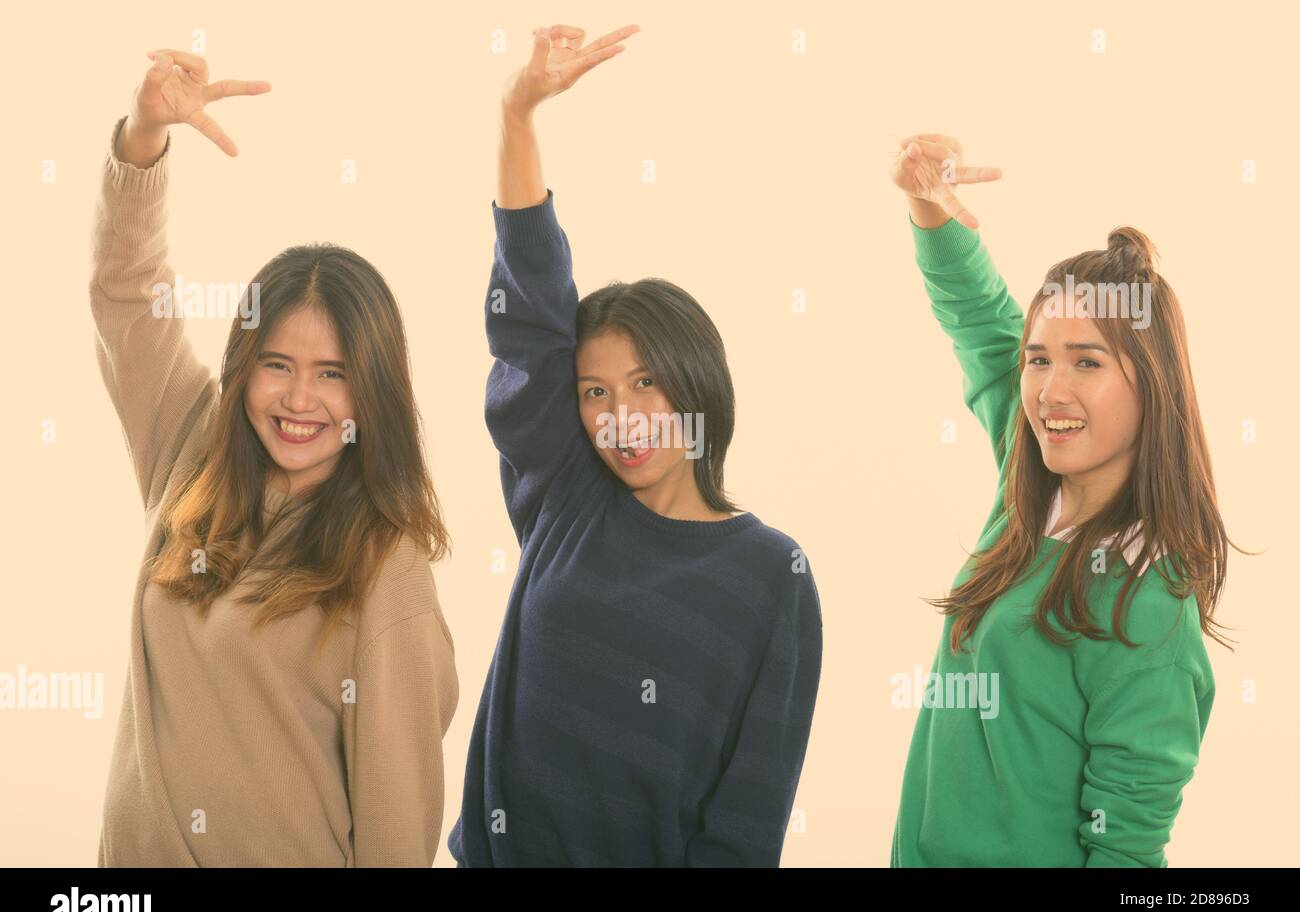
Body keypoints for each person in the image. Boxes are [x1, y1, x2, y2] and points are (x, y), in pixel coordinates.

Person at [447, 24, 823, 866]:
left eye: (647, 382)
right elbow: (533, 316)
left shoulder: (773, 575)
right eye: (595, 391)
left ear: (698, 383)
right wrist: (518, 118)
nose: (622, 414)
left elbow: (746, 821)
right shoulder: (565, 498)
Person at [92, 49, 458, 866]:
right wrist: (146, 135)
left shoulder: (386, 566)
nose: (300, 400)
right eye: (277, 365)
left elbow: (398, 835)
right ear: (242, 366)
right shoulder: (190, 445)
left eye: (333, 375)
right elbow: (125, 290)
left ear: (373, 395)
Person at [888, 133, 1234, 867]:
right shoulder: (1027, 488)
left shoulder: (1148, 604)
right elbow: (982, 324)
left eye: (1088, 362)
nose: (1051, 391)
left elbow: (1125, 854)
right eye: (1039, 359)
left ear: (1151, 383)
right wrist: (926, 200)